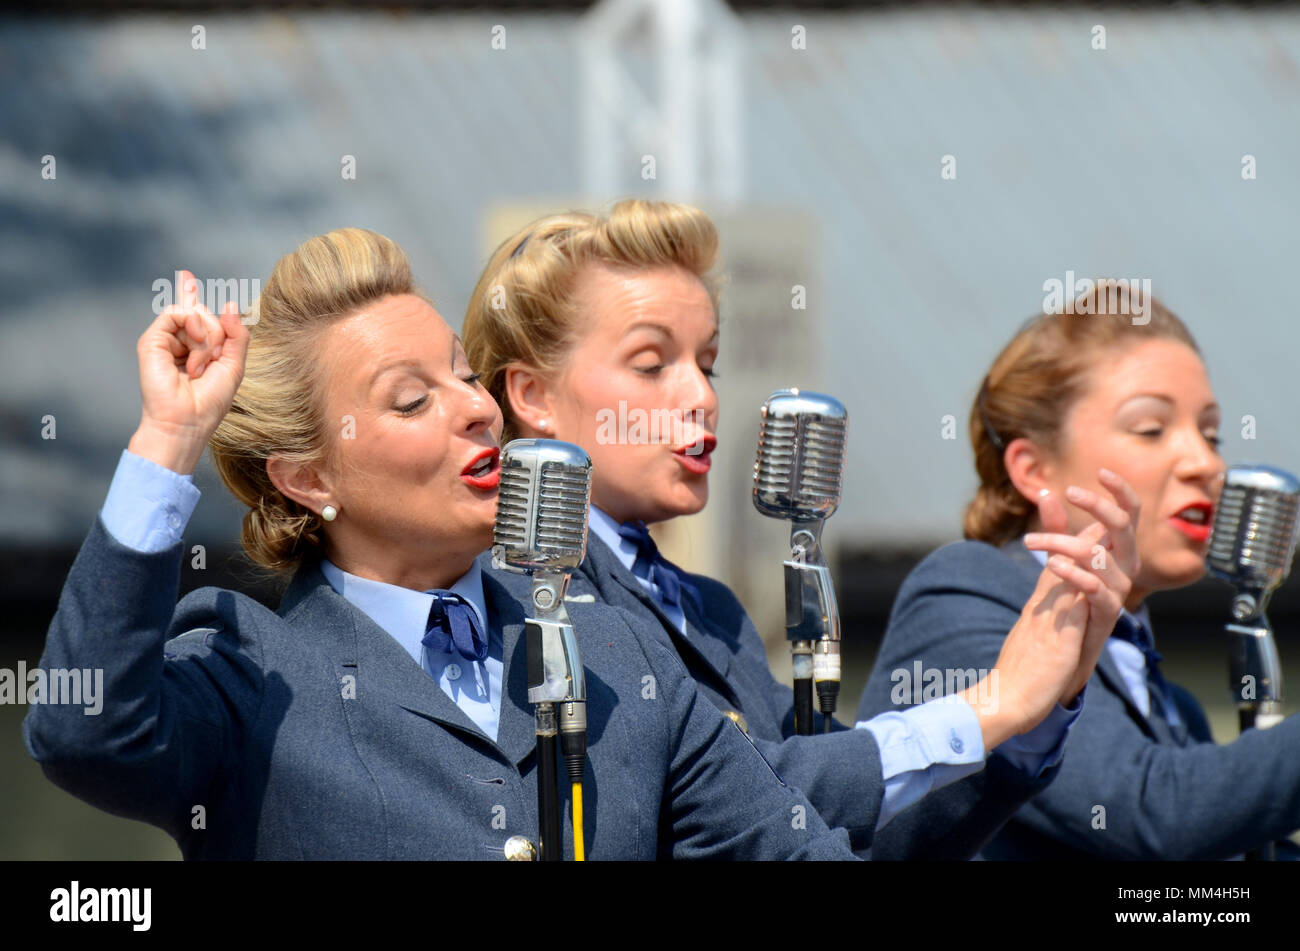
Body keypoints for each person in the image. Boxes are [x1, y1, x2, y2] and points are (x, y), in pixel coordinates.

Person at [23, 228, 882, 860]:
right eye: (409, 401)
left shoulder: (614, 648)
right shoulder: (250, 671)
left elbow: (789, 842)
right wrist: (168, 441)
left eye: (466, 374)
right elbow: (86, 731)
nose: (477, 409)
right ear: (308, 479)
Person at [462, 199, 1138, 857]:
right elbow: (719, 795)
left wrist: (1035, 709)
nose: (701, 397)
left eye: (708, 363)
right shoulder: (518, 596)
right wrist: (991, 704)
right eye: (651, 363)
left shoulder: (712, 610)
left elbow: (850, 826)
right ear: (533, 395)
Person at [858, 282, 1300, 859]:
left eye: (1211, 434)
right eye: (1151, 428)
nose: (1206, 463)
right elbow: (1152, 816)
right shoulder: (969, 591)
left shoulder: (1178, 710)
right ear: (1033, 466)